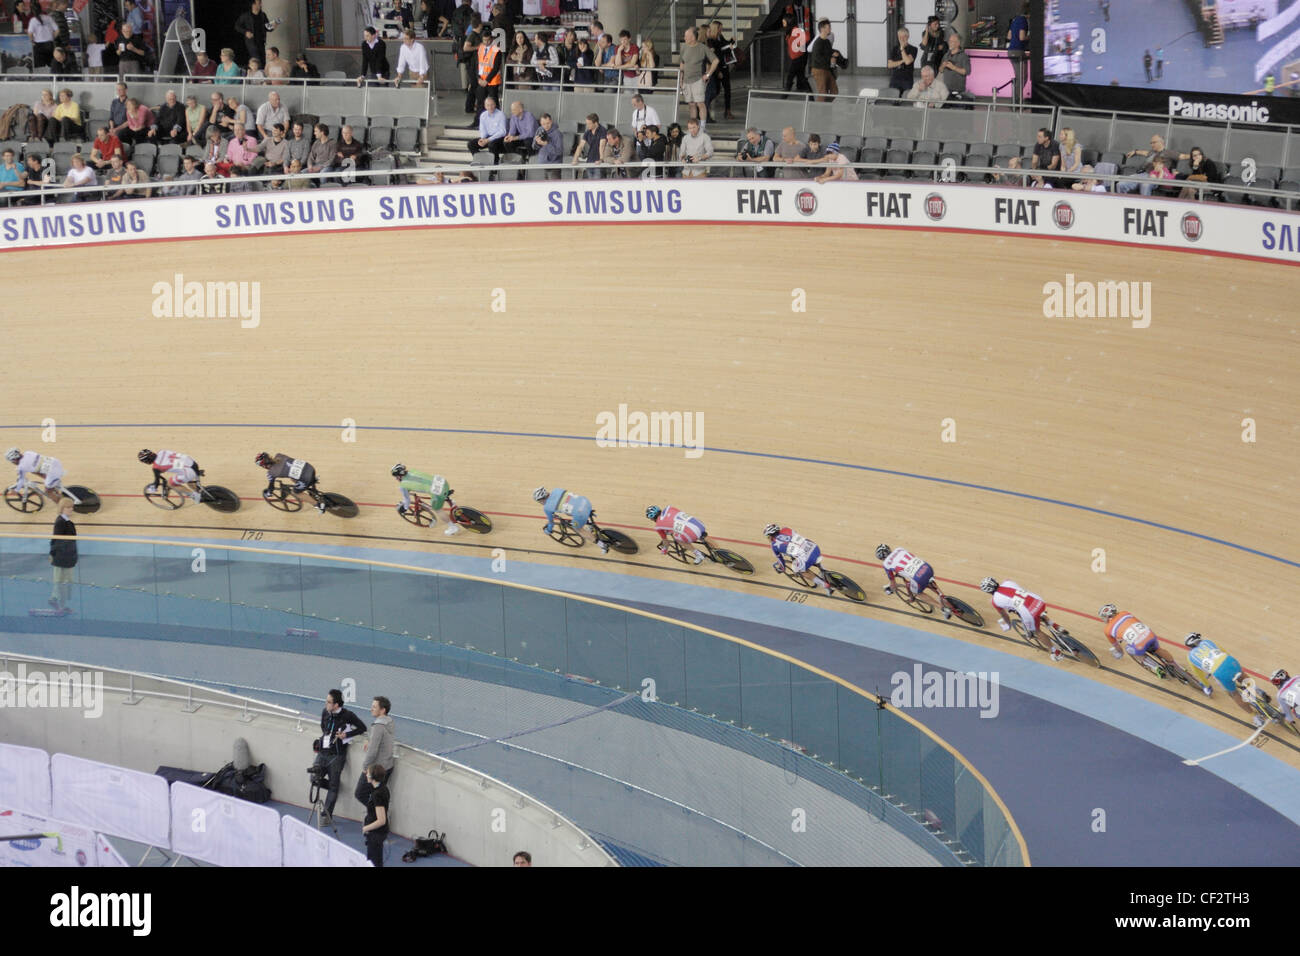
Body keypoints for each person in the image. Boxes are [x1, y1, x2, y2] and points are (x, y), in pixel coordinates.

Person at [311, 688, 367, 826]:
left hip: (337, 756)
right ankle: (333, 787)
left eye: (329, 702)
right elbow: (323, 727)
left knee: (333, 787)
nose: (326, 704)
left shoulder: (347, 715)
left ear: (336, 705)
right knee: (313, 778)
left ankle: (326, 815)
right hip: (322, 753)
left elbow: (362, 728)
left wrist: (346, 735)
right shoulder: (325, 712)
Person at [1183, 633, 1260, 722]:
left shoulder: (1190, 657)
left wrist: (1207, 685)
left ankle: (1254, 716)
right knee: (1241, 675)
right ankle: (1258, 690)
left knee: (1233, 693)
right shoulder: (1208, 641)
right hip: (1229, 660)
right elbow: (1225, 652)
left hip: (1219, 672)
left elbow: (1199, 674)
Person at [983, 577, 1062, 661]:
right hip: (1038, 600)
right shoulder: (1008, 582)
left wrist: (1008, 625)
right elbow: (1007, 580)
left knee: (1037, 631)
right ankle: (1055, 625)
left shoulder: (995, 601)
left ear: (988, 591)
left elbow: (1005, 616)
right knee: (1038, 613)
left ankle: (1055, 651)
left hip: (1030, 612)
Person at [876, 544, 950, 618]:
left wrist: (891, 589)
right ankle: (945, 599)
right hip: (926, 567)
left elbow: (893, 583)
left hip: (918, 577)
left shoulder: (886, 564)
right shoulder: (899, 549)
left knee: (917, 593)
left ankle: (942, 608)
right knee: (929, 580)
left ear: (881, 558)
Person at [1097, 604, 1178, 672]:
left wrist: (1119, 653)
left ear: (1106, 618)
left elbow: (1118, 648)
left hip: (1139, 645)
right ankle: (1175, 665)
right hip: (1150, 635)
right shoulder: (1125, 613)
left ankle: (1156, 668)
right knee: (1158, 649)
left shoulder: (1107, 630)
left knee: (1129, 649)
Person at [391, 463, 462, 535]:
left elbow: (407, 501)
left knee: (437, 509)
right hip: (443, 482)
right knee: (434, 490)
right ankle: (451, 502)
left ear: (399, 476)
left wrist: (404, 509)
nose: (396, 478)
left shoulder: (403, 486)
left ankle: (452, 527)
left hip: (439, 492)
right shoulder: (413, 471)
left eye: (396, 476)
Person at [765, 523, 830, 594]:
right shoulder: (786, 529)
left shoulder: (774, 546)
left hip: (806, 556)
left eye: (768, 536)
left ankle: (824, 584)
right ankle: (824, 571)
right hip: (814, 546)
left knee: (799, 570)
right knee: (809, 552)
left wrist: (781, 569)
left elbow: (781, 562)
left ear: (770, 536)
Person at [354, 695, 396, 807]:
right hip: (387, 766)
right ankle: (380, 818)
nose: (371, 709)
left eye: (374, 707)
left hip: (376, 770)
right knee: (378, 795)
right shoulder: (389, 722)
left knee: (360, 793)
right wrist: (370, 740)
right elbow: (381, 738)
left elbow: (372, 751)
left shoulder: (378, 726)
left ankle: (377, 816)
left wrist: (365, 768)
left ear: (383, 710)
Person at [534, 486, 607, 549]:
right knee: (569, 509)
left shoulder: (547, 508)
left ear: (541, 500)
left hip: (580, 513)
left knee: (578, 529)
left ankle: (602, 545)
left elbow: (551, 522)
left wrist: (548, 530)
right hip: (585, 501)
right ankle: (590, 525)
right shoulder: (556, 490)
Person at [678, 27, 718, 129]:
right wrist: (681, 79)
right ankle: (693, 126)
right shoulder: (684, 47)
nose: (684, 38)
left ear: (692, 37)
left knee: (700, 103)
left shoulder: (702, 47)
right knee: (691, 104)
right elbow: (682, 64)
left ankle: (703, 126)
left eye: (686, 36)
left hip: (698, 80)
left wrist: (708, 74)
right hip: (686, 81)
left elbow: (715, 61)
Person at [255, 451, 323, 509]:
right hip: (310, 468)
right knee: (292, 477)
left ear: (264, 466)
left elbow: (271, 487)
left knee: (296, 493)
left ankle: (318, 505)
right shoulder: (279, 455)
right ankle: (313, 488)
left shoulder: (271, 473)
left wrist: (268, 493)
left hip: (306, 477)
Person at [48, 498, 77, 614]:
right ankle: (55, 601)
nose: (71, 509)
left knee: (67, 582)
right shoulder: (60, 522)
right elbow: (56, 540)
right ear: (62, 509)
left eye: (71, 507)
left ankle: (62, 605)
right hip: (61, 558)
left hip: (68, 557)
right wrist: (52, 554)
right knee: (60, 582)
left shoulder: (69, 522)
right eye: (68, 507)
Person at [359, 764, 390, 866]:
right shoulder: (383, 788)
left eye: (368, 773)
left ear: (372, 777)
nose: (366, 775)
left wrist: (366, 828)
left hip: (376, 834)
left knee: (374, 862)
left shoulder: (377, 794)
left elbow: (381, 820)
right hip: (378, 832)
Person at [235, 0, 277, 67]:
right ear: (253, 5)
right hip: (251, 42)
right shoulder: (246, 16)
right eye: (258, 3)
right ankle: (256, 75)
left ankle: (261, 75)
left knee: (263, 61)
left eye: (260, 3)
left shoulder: (263, 15)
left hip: (261, 42)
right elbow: (237, 26)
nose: (260, 5)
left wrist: (273, 26)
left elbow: (267, 28)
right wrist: (245, 32)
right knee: (256, 60)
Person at [469, 96, 506, 162]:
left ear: (495, 105)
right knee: (471, 144)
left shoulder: (501, 114)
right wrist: (483, 139)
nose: (490, 107)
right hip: (487, 137)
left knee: (492, 144)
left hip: (498, 137)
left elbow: (502, 132)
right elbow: (483, 129)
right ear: (485, 106)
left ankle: (494, 164)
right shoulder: (483, 115)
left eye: (492, 105)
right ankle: (480, 160)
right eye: (488, 105)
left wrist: (488, 140)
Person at [781, 10, 811, 93]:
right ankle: (811, 96)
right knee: (802, 78)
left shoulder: (796, 30)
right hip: (796, 58)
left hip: (798, 58)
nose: (783, 24)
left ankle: (784, 95)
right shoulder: (790, 31)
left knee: (790, 77)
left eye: (784, 22)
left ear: (788, 21)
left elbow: (807, 39)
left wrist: (798, 46)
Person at [808, 18, 837, 101]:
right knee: (823, 92)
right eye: (828, 27)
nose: (830, 29)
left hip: (826, 68)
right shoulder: (818, 43)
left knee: (834, 91)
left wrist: (833, 60)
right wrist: (830, 60)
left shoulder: (827, 41)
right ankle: (820, 110)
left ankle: (825, 107)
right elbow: (818, 58)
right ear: (822, 29)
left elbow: (829, 54)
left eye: (830, 27)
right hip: (819, 69)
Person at [1007, 1, 1029, 104]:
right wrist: (1031, 36)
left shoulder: (1015, 20)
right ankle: (1016, 101)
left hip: (1011, 51)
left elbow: (1009, 36)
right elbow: (1022, 37)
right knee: (1023, 77)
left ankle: (1016, 99)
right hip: (1018, 51)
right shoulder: (1023, 21)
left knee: (1019, 77)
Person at [887, 27, 916, 98]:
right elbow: (890, 65)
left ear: (908, 37)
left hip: (907, 80)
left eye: (904, 37)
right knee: (892, 99)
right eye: (900, 37)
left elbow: (908, 62)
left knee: (907, 100)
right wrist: (902, 61)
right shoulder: (894, 49)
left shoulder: (913, 49)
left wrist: (902, 49)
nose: (902, 39)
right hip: (895, 79)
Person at [531, 113, 563, 177]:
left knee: (554, 186)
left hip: (554, 165)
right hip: (543, 163)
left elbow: (559, 151)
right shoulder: (539, 130)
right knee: (544, 186)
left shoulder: (557, 134)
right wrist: (537, 142)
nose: (546, 126)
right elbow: (534, 147)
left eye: (548, 123)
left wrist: (546, 144)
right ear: (540, 123)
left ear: (551, 121)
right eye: (543, 124)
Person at [938, 32, 969, 98]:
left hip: (958, 90)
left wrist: (953, 67)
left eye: (952, 41)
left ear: (958, 43)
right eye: (949, 41)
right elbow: (940, 70)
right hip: (945, 89)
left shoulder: (964, 56)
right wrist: (943, 66)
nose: (949, 43)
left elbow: (966, 71)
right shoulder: (946, 55)